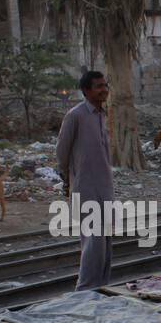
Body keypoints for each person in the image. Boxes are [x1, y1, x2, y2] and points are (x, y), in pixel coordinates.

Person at [56, 70, 115, 290]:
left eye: (105, 85)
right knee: (93, 243)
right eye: (99, 86)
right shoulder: (75, 115)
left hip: (105, 188)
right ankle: (85, 292)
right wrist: (69, 179)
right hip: (85, 188)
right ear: (86, 90)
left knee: (105, 244)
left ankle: (101, 289)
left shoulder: (101, 115)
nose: (104, 90)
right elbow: (61, 153)